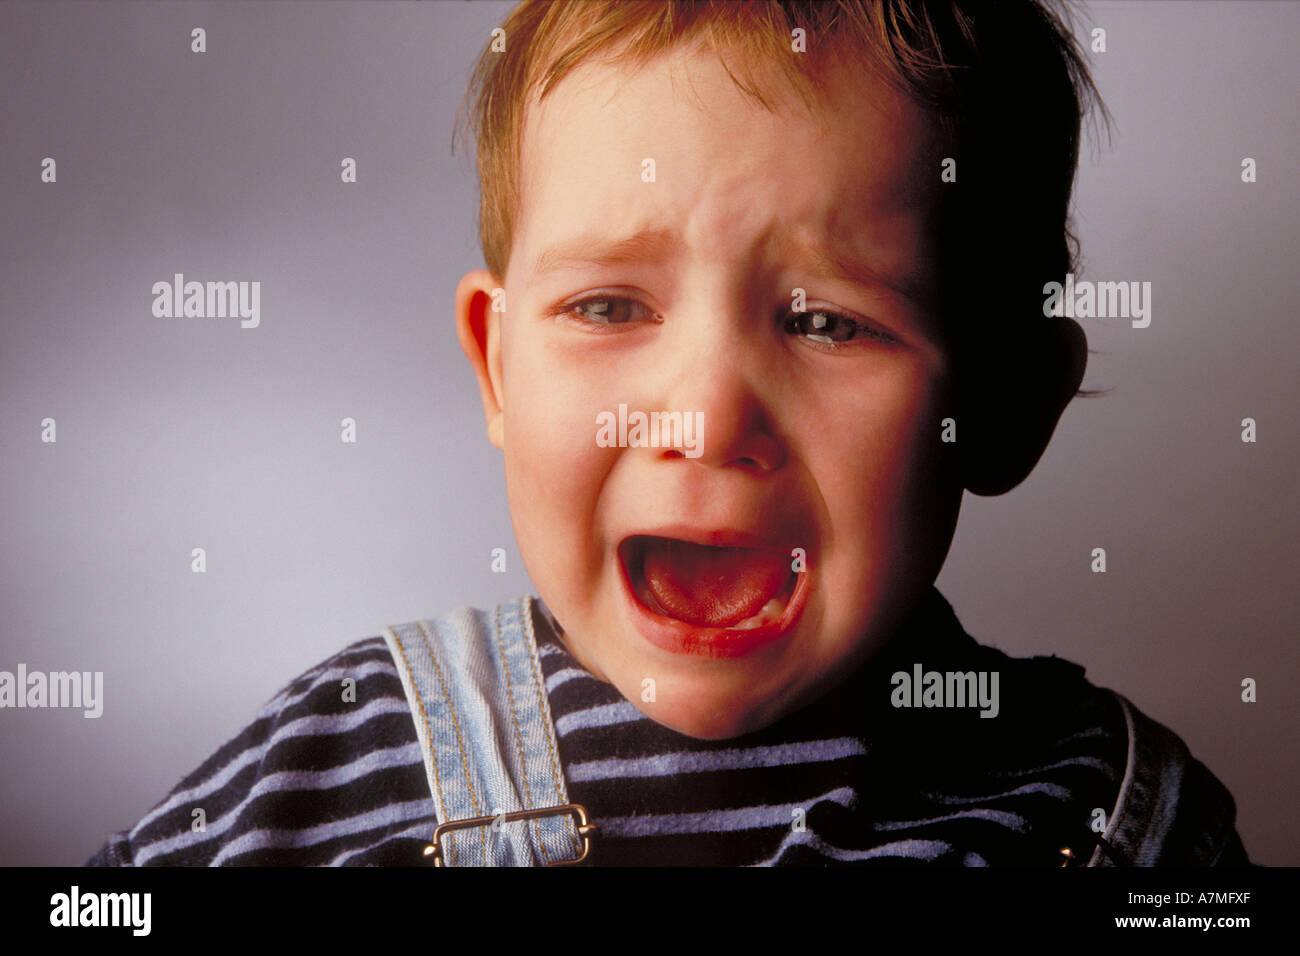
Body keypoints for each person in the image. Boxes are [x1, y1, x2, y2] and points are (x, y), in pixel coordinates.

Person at [86, 0, 1247, 867]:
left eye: (828, 322)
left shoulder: (1115, 809)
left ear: (1002, 403)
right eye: (607, 306)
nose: (697, 418)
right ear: (497, 364)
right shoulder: (341, 759)